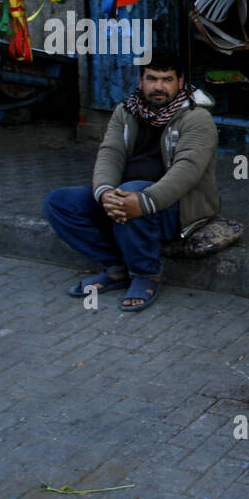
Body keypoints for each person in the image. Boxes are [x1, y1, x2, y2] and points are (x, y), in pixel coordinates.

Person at [44, 57, 220, 310]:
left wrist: (145, 201)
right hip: (128, 197)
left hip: (177, 207)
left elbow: (188, 169)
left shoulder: (196, 117)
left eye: (167, 80)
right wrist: (104, 193)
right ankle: (117, 267)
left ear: (180, 82)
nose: (158, 86)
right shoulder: (126, 110)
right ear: (141, 80)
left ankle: (147, 274)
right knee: (59, 203)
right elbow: (110, 153)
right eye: (152, 79)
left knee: (131, 193)